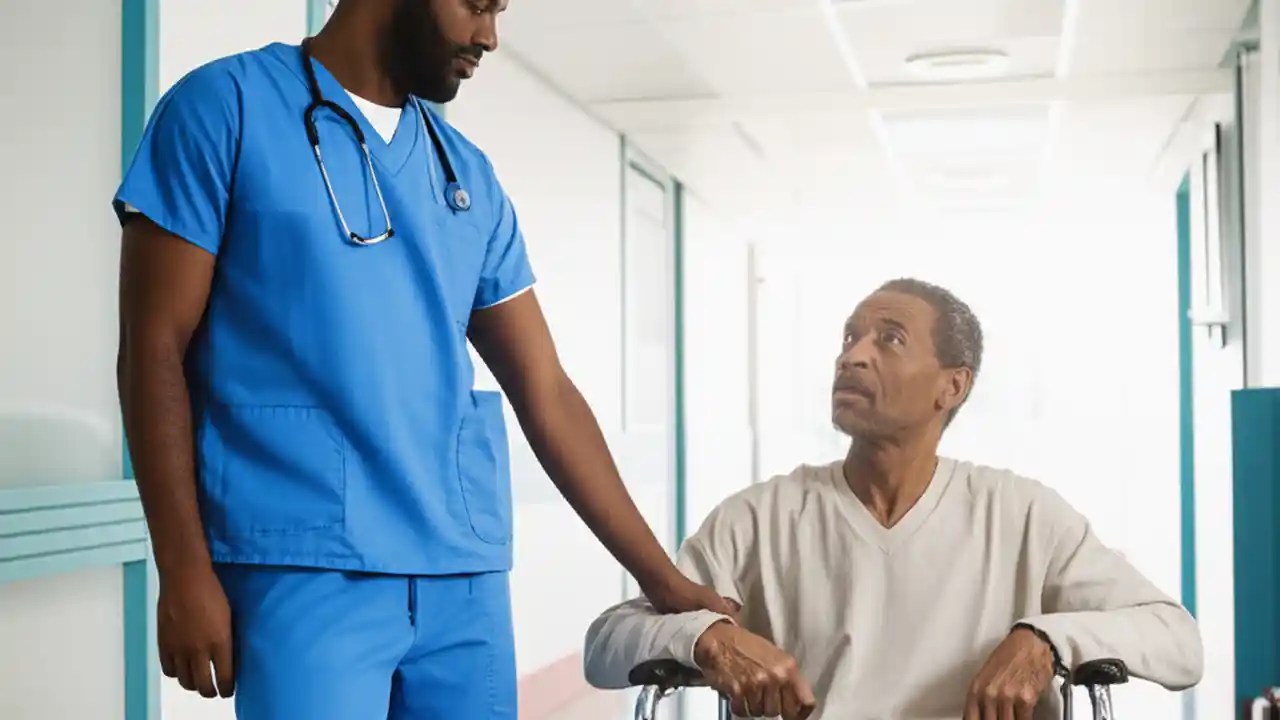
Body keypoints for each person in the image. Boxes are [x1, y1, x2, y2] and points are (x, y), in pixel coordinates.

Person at [113, 1, 733, 718]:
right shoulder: (224, 109)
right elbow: (153, 350)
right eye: (476, 5)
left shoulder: (464, 172)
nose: (489, 37)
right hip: (308, 568)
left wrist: (663, 580)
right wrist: (183, 568)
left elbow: (546, 390)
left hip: (461, 581)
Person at [582, 278, 1204, 720]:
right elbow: (607, 645)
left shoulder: (1022, 515)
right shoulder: (760, 518)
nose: (852, 355)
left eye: (889, 340)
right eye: (850, 337)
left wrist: (1045, 640)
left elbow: (1178, 642)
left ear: (952, 387)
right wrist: (708, 638)